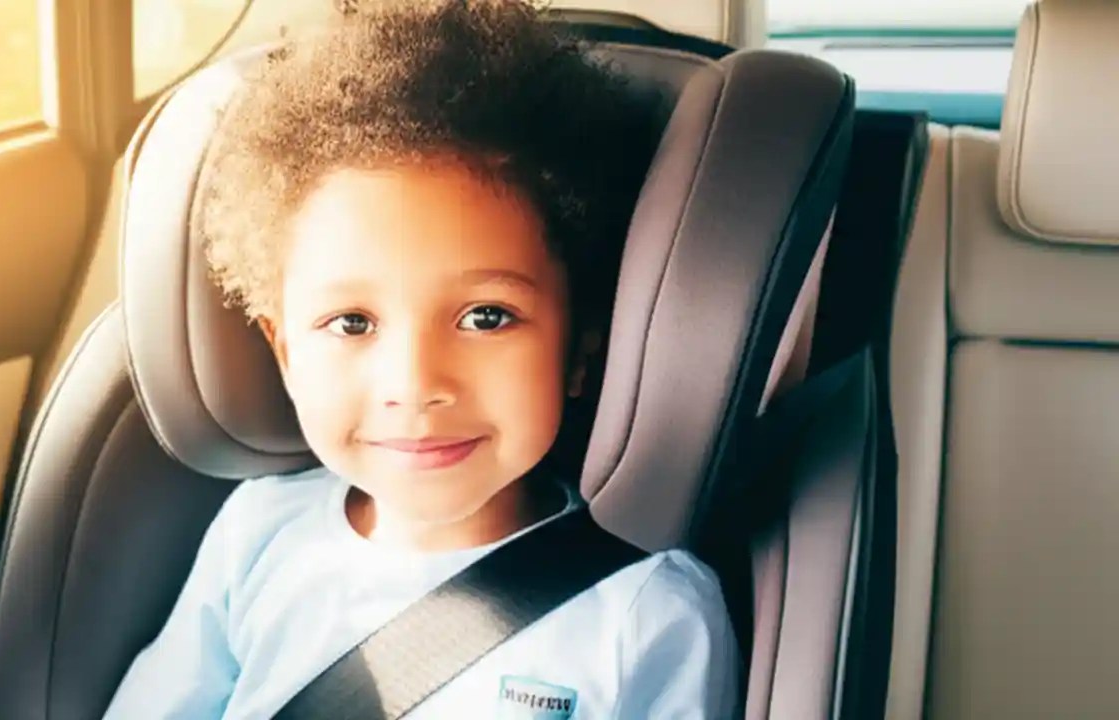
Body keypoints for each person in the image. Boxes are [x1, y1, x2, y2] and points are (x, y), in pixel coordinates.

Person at [105, 1, 738, 717]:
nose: (414, 385)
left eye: (486, 317)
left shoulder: (644, 613)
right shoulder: (257, 536)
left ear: (579, 349)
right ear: (284, 353)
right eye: (352, 322)